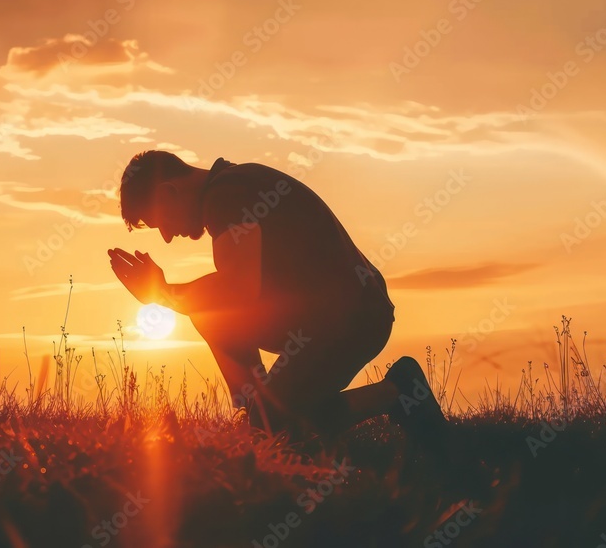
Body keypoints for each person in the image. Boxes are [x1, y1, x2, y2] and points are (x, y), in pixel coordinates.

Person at [108, 150, 447, 443]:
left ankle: (397, 392)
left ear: (167, 192)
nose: (168, 238)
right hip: (326, 319)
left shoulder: (227, 195)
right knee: (211, 316)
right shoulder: (233, 184)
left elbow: (236, 292)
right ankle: (254, 413)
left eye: (160, 223)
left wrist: (164, 293)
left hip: (350, 321)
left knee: (272, 431)